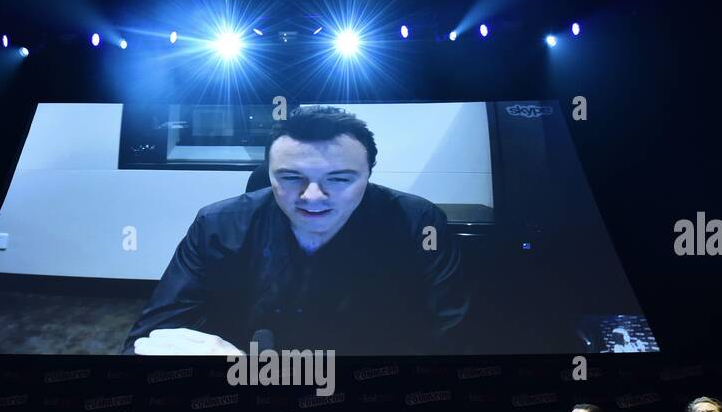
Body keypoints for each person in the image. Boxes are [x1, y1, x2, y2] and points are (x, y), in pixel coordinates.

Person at [124, 105, 469, 356]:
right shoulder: (218, 224)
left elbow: (453, 336)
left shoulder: (418, 223)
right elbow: (148, 340)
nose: (313, 197)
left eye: (339, 179)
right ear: (269, 173)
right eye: (291, 177)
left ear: (369, 174)